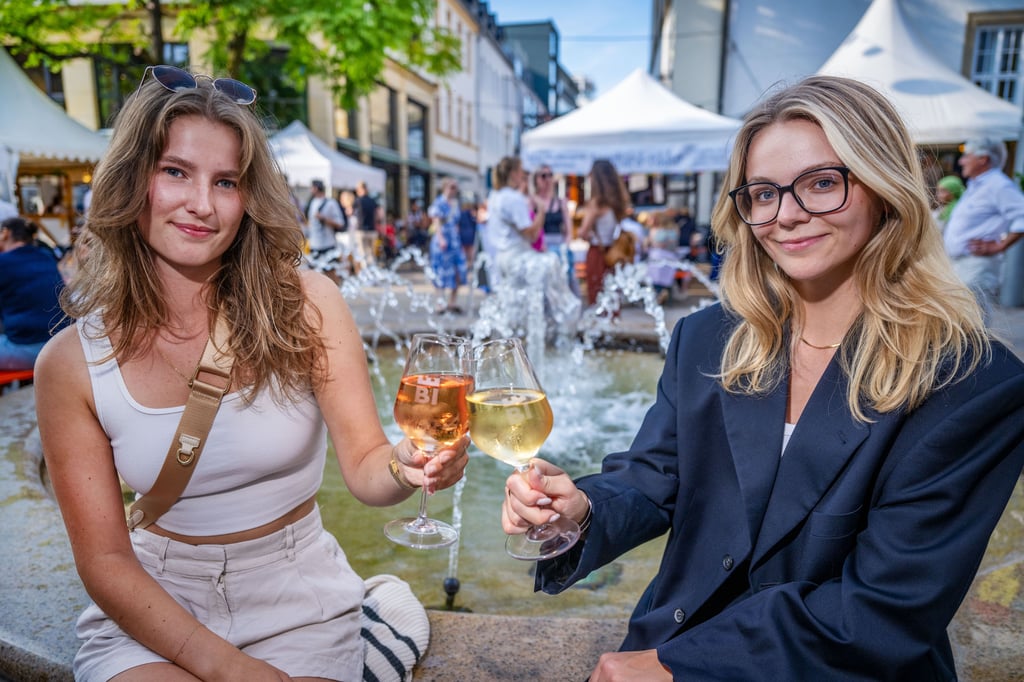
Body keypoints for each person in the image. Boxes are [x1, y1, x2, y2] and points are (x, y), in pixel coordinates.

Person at [502, 75, 1024, 680]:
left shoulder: (972, 383)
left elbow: (883, 609)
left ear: (884, 187)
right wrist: (580, 509)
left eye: (823, 183)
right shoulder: (707, 338)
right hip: (676, 637)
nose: (787, 216)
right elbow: (654, 475)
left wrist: (680, 667)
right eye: (763, 193)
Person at [34, 64, 469, 682]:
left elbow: (370, 468)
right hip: (155, 601)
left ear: (249, 198)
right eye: (175, 172)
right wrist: (233, 669)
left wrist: (408, 465)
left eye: (227, 181)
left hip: (298, 597)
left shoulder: (308, 303)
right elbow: (105, 560)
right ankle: (384, 644)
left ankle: (365, 632)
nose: (202, 205)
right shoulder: (69, 364)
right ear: (133, 182)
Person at [485, 156, 580, 325]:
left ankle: (510, 339)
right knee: (549, 270)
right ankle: (564, 317)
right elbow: (531, 235)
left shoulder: (495, 196)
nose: (524, 175)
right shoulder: (514, 199)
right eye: (522, 171)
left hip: (501, 257)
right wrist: (541, 211)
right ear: (514, 173)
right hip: (517, 257)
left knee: (512, 303)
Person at [943, 137, 1024, 319]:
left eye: (966, 156)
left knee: (972, 324)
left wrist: (999, 246)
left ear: (983, 159)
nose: (961, 161)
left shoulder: (998, 185)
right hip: (960, 265)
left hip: (976, 266)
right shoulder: (976, 185)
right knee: (961, 321)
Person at [0, 216, 70, 369]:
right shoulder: (46, 256)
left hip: (31, 349)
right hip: (64, 344)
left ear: (5, 233)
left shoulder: (3, 262)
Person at [577, 159, 631, 306]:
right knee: (612, 294)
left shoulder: (596, 203)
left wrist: (587, 235)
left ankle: (599, 326)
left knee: (597, 295)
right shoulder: (617, 202)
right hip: (613, 253)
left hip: (597, 252)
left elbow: (583, 232)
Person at [533, 164, 578, 295]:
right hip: (541, 245)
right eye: (543, 176)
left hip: (558, 244)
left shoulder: (560, 202)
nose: (547, 180)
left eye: (550, 175)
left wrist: (566, 244)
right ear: (536, 179)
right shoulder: (533, 202)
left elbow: (568, 228)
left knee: (566, 276)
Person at [427, 178, 467, 313]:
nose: (454, 190)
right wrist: (441, 238)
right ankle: (440, 303)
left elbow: (456, 223)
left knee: (458, 270)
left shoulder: (455, 203)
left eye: (455, 187)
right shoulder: (439, 202)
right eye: (451, 187)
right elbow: (436, 222)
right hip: (442, 241)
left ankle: (452, 302)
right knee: (440, 271)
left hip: (455, 241)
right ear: (445, 188)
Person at [354, 180, 379, 268]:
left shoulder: (358, 201)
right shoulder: (372, 201)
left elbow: (351, 213)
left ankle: (366, 274)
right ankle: (373, 272)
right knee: (371, 255)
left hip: (361, 230)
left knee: (363, 254)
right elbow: (379, 215)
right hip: (372, 230)